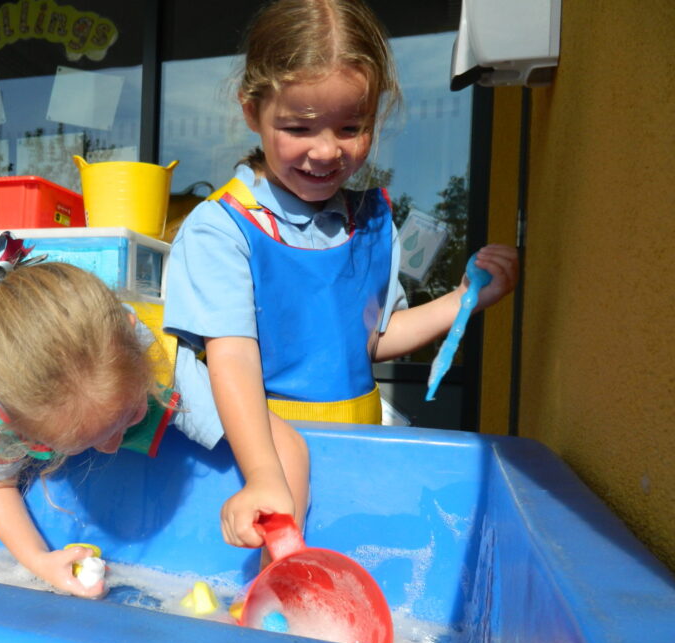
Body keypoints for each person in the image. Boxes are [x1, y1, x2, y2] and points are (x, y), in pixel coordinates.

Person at [163, 0, 519, 551]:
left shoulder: (374, 222)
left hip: (359, 455)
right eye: (299, 127)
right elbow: (231, 355)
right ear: (252, 111)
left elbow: (372, 339)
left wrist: (465, 298)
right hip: (262, 459)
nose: (327, 151)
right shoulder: (222, 229)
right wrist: (263, 475)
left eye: (352, 126)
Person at [0, 232, 221, 598]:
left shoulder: (169, 367)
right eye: (84, 443)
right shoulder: (5, 414)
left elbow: (279, 443)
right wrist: (39, 561)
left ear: (138, 363)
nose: (109, 450)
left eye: (131, 415)